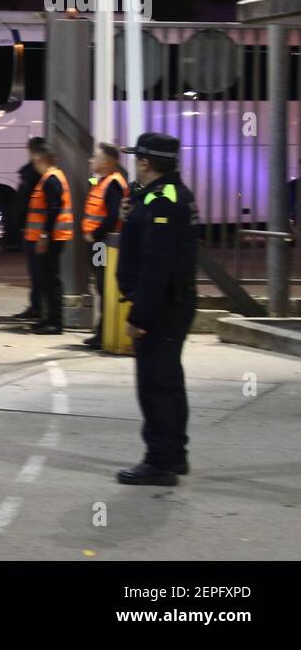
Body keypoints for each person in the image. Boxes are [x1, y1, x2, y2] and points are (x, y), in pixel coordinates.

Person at [115, 132, 197, 486]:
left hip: (163, 305)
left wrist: (139, 318)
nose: (135, 163)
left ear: (146, 162)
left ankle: (160, 462)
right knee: (168, 380)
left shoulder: (163, 200)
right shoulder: (163, 194)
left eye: (138, 159)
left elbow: (156, 264)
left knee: (156, 384)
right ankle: (174, 455)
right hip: (172, 302)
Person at [81, 143, 129, 349]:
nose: (91, 160)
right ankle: (101, 331)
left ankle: (103, 333)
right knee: (100, 286)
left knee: (103, 286)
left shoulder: (113, 184)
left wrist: (95, 234)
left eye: (95, 157)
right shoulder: (103, 181)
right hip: (98, 243)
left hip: (101, 244)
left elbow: (112, 217)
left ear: (108, 162)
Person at [23, 143, 74, 334]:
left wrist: (44, 235)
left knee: (51, 280)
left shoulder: (52, 179)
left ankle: (55, 322)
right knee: (46, 280)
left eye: (34, 158)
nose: (33, 162)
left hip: (52, 239)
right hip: (51, 237)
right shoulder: (49, 178)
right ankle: (47, 319)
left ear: (40, 159)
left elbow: (54, 209)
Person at [10, 136, 47, 322]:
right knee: (35, 273)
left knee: (41, 273)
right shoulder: (32, 174)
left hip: (36, 233)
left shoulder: (39, 176)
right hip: (31, 230)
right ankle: (36, 307)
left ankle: (41, 310)